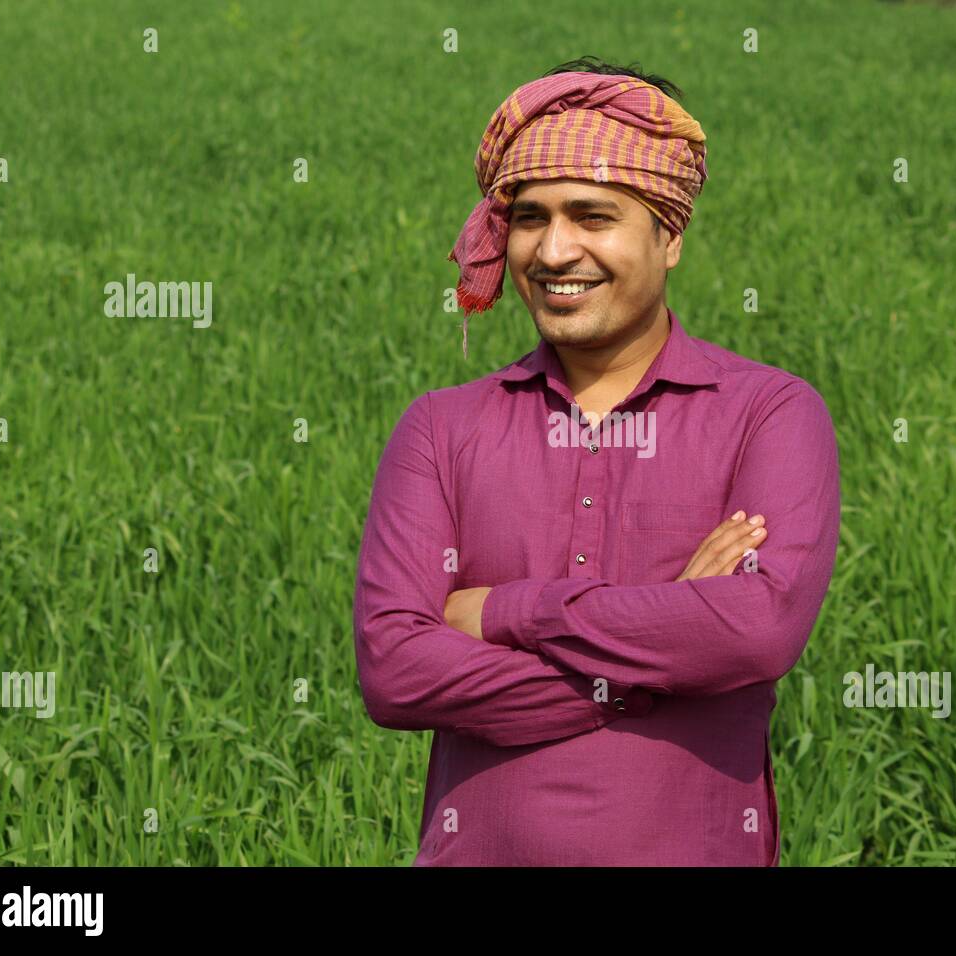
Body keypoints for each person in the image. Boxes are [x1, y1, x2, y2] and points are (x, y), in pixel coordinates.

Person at [353, 57, 841, 865]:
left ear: (670, 236)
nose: (553, 250)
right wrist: (669, 630)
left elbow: (757, 628)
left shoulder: (770, 413)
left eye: (593, 216)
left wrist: (507, 613)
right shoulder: (440, 429)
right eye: (530, 217)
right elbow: (396, 671)